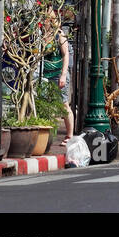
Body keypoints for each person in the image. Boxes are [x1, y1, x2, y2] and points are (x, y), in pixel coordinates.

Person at [42, 9, 74, 142]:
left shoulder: (59, 35)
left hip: (58, 74)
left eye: (45, 19)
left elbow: (66, 55)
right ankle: (46, 135)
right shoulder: (41, 35)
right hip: (44, 75)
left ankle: (69, 135)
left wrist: (63, 75)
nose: (43, 22)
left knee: (63, 104)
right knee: (45, 104)